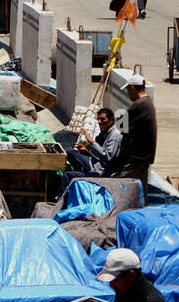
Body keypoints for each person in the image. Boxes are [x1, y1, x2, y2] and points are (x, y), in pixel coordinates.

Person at [118, 75, 157, 206]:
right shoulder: (147, 102)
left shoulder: (138, 105)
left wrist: (128, 127)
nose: (128, 94)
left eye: (128, 90)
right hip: (145, 156)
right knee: (141, 190)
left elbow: (120, 124)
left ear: (133, 88)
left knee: (120, 186)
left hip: (137, 157)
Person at [65, 107, 123, 176]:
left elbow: (106, 157)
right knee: (71, 151)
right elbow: (97, 149)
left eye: (102, 119)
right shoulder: (104, 133)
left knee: (69, 155)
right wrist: (85, 146)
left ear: (111, 121)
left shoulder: (115, 135)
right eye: (98, 119)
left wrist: (91, 141)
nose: (99, 122)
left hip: (100, 168)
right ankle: (82, 172)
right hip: (94, 162)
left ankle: (85, 174)